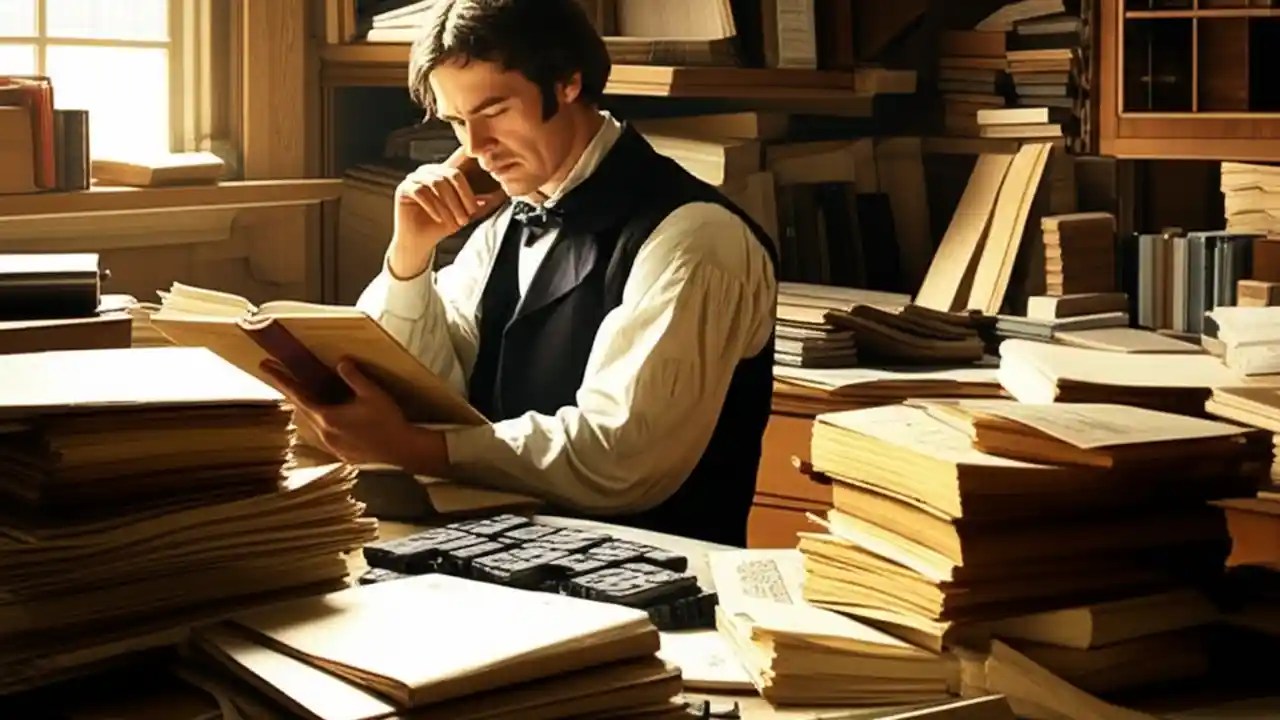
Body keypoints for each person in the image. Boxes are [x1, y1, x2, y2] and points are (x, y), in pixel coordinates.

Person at [262, 0, 778, 546]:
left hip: (657, 582)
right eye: (458, 122)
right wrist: (409, 257)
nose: (475, 148)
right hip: (504, 557)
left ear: (568, 83)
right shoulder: (502, 227)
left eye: (495, 111)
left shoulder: (695, 238)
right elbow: (428, 387)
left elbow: (620, 455)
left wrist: (409, 447)